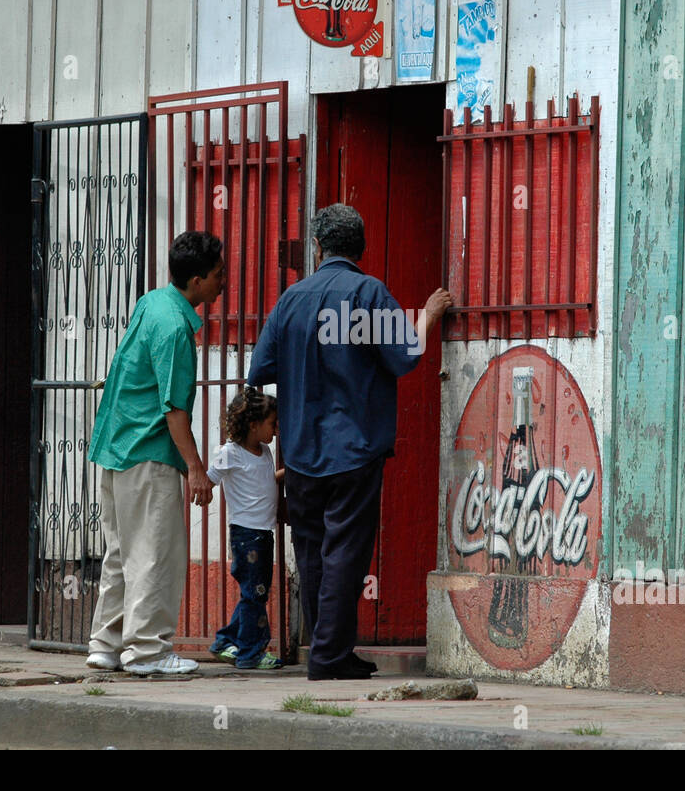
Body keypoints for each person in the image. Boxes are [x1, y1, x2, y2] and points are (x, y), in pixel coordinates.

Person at [248, 203, 453, 680]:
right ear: (360, 247)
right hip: (354, 450)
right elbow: (405, 357)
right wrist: (429, 315)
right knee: (345, 553)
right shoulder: (367, 292)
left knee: (314, 550)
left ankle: (331, 650)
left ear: (318, 248)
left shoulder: (291, 299)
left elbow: (261, 370)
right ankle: (328, 655)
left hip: (300, 452)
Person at [85, 230, 224, 676]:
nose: (223, 284)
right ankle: (147, 651)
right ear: (197, 280)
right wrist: (196, 469)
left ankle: (106, 645)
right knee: (153, 553)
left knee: (121, 553)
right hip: (147, 452)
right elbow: (174, 409)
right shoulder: (176, 328)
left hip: (116, 445)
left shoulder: (152, 303)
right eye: (218, 276)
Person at [206, 387, 286, 670]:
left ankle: (225, 641)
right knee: (256, 594)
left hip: (262, 534)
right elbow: (209, 479)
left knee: (254, 593)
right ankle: (250, 653)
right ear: (253, 425)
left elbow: (263, 481)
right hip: (247, 536)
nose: (276, 429)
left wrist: (286, 474)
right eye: (272, 423)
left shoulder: (264, 451)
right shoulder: (230, 453)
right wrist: (200, 488)